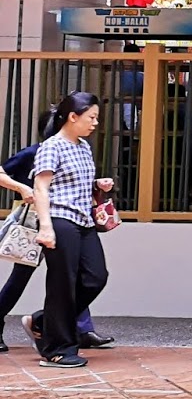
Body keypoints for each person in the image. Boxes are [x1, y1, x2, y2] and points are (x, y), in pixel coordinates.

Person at [0, 120, 110, 354]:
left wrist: (96, 184)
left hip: (65, 220)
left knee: (75, 276)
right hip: (33, 223)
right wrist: (21, 187)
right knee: (20, 278)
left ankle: (79, 328)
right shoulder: (35, 151)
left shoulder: (77, 149)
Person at [27, 93, 110, 369]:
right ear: (73, 117)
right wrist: (46, 227)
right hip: (60, 220)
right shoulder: (52, 146)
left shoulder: (83, 146)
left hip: (84, 220)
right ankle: (57, 350)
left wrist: (99, 183)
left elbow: (75, 182)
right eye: (91, 117)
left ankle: (43, 322)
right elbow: (41, 187)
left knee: (95, 277)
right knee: (62, 283)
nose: (95, 123)